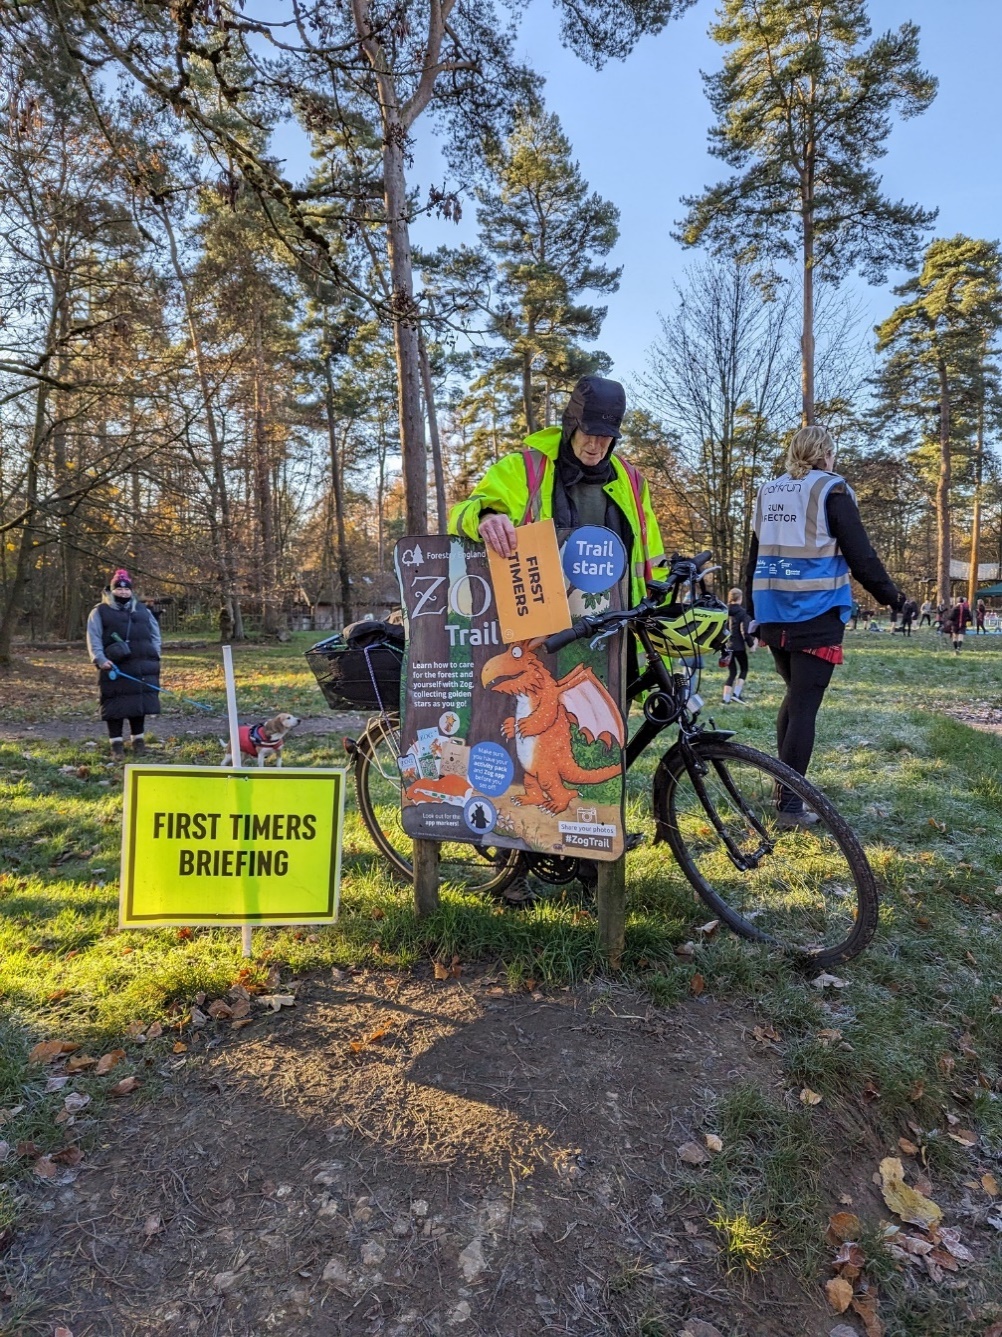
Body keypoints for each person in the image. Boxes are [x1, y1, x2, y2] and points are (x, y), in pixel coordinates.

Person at [746, 426, 904, 827]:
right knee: (803, 707)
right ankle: (791, 806)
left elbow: (753, 556)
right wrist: (893, 598)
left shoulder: (768, 491)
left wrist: (749, 610)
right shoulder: (831, 489)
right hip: (815, 611)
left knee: (794, 699)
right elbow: (860, 553)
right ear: (827, 454)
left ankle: (784, 790)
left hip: (772, 609)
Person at [449, 375, 665, 609]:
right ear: (572, 425)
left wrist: (661, 609)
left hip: (619, 625)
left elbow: (653, 557)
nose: (594, 446)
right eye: (587, 432)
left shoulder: (632, 481)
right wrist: (485, 517)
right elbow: (459, 516)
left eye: (604, 436)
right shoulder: (522, 469)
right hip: (543, 621)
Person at [86, 568, 162, 758]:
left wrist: (155, 653)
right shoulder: (99, 611)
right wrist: (100, 659)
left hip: (142, 665)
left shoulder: (143, 610)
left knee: (139, 704)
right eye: (119, 589)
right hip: (115, 666)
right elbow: (93, 636)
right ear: (112, 590)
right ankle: (116, 744)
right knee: (115, 705)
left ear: (131, 591)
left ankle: (139, 741)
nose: (123, 592)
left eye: (126, 589)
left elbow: (155, 634)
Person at [722, 587, 754, 704]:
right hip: (739, 646)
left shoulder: (724, 611)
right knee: (744, 669)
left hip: (726, 646)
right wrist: (751, 645)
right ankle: (736, 694)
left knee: (732, 672)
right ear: (740, 598)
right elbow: (745, 631)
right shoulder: (742, 613)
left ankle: (725, 699)